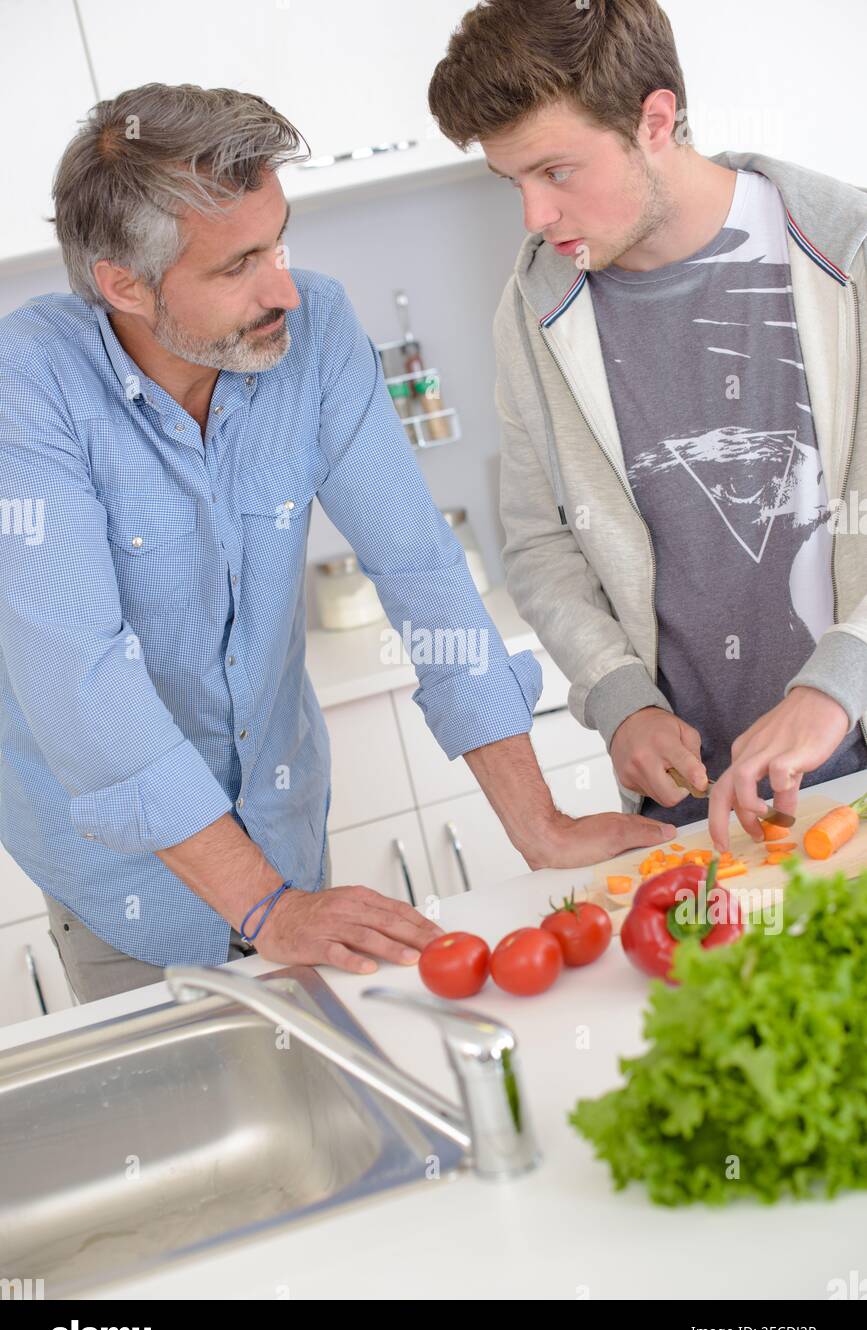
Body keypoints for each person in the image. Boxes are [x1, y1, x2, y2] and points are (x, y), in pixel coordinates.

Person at [0, 83, 673, 1003]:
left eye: (278, 241)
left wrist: (541, 825)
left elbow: (419, 572)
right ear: (123, 283)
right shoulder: (28, 386)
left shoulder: (311, 333)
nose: (282, 287)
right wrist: (265, 908)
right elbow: (83, 684)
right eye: (237, 266)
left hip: (285, 836)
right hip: (125, 892)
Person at [428, 0, 867, 852]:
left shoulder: (847, 254)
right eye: (511, 182)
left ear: (654, 119)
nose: (533, 216)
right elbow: (541, 543)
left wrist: (838, 681)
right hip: (691, 824)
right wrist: (617, 694)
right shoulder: (533, 313)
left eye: (555, 171)